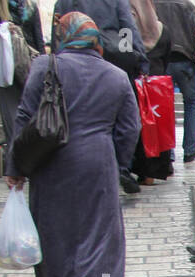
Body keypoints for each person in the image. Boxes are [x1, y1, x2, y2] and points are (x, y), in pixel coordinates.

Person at [4, 13, 140, 277]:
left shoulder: (44, 67)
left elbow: (24, 118)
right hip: (98, 164)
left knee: (56, 235)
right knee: (100, 239)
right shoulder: (117, 76)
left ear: (63, 35)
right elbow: (130, 128)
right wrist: (117, 165)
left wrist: (16, 168)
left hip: (51, 163)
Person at [51, 0, 147, 192]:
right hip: (112, 58)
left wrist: (57, 59)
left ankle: (78, 163)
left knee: (79, 114)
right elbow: (127, 28)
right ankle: (120, 166)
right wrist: (132, 57)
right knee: (119, 116)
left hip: (74, 61)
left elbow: (59, 31)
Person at [0, 0, 45, 170]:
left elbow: (38, 39)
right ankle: (15, 170)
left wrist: (44, 68)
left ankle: (32, 165)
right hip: (6, 71)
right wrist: (1, 30)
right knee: (13, 125)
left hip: (30, 68)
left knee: (32, 122)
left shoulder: (29, 6)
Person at [129, 0, 173, 185]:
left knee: (137, 126)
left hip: (134, 81)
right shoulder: (162, 30)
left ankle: (138, 169)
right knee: (155, 126)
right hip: (156, 86)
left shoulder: (127, 32)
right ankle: (153, 171)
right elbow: (166, 58)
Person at [153, 0, 195, 162]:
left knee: (165, 107)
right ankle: (189, 149)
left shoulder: (154, 4)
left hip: (162, 60)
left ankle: (168, 151)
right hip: (185, 59)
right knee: (191, 103)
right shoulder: (187, 5)